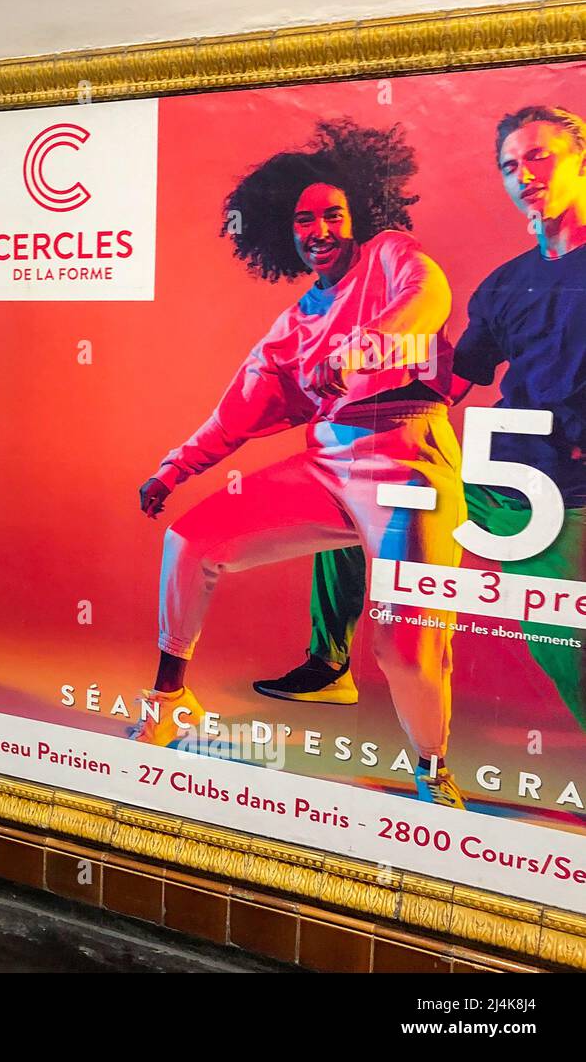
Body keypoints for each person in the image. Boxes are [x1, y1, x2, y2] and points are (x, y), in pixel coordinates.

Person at [134, 119, 468, 808]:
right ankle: (169, 700)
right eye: (304, 220)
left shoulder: (391, 257)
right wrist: (172, 471)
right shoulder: (291, 326)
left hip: (410, 463)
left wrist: (364, 348)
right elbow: (235, 414)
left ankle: (433, 770)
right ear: (282, 233)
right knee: (192, 540)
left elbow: (427, 299)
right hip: (329, 466)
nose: (319, 230)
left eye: (332, 215)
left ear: (358, 214)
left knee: (404, 644)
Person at [256, 106, 586, 733]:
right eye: (510, 166)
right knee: (364, 496)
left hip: (570, 499)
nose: (524, 175)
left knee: (557, 630)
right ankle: (329, 666)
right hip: (500, 483)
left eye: (539, 156)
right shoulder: (504, 285)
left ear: (581, 160)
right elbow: (451, 380)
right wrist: (362, 370)